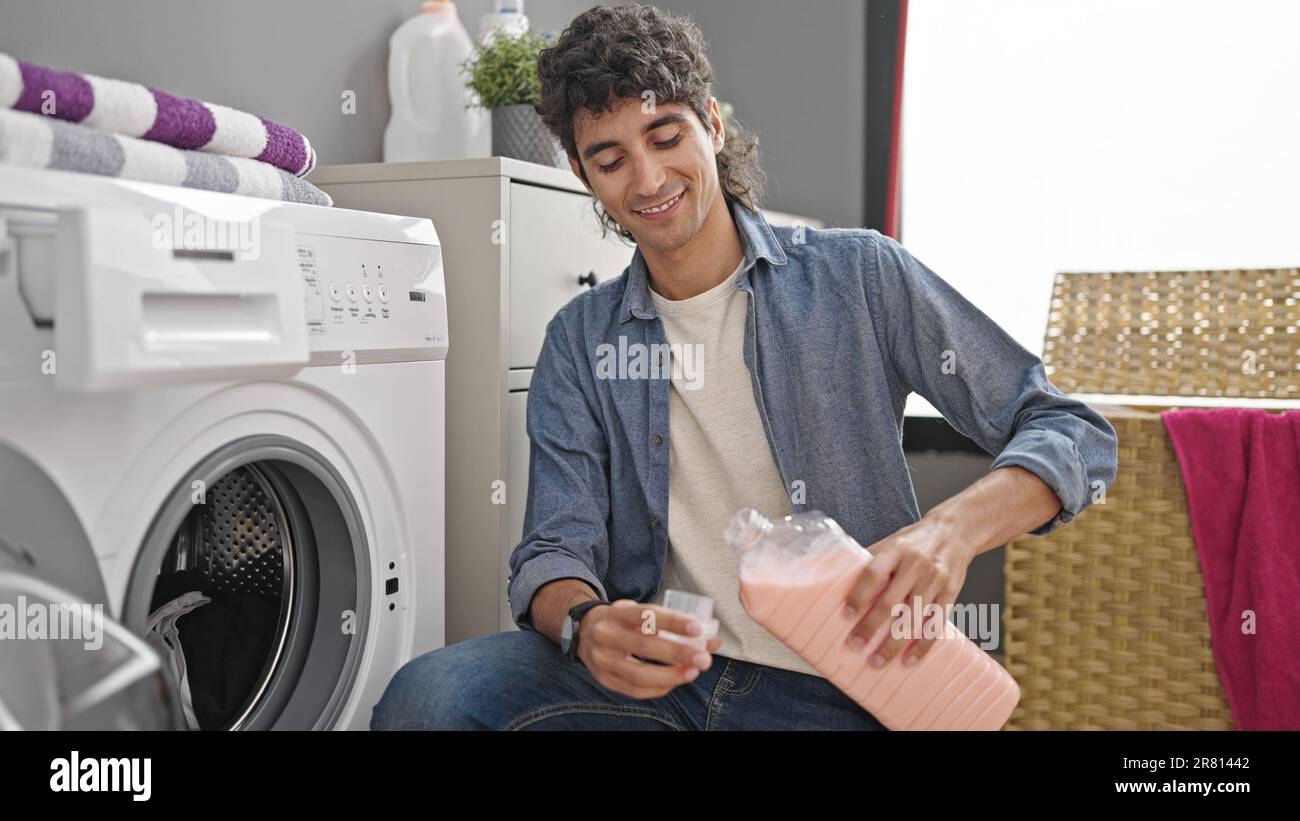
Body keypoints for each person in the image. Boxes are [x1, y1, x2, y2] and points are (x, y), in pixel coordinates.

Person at [371, 4, 1118, 731]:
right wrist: (584, 623)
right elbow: (553, 549)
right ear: (581, 173)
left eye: (666, 136)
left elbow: (1072, 429)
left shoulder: (858, 275)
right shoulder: (579, 340)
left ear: (712, 125)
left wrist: (949, 532)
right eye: (611, 159)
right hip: (660, 684)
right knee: (427, 698)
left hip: (839, 686)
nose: (648, 179)